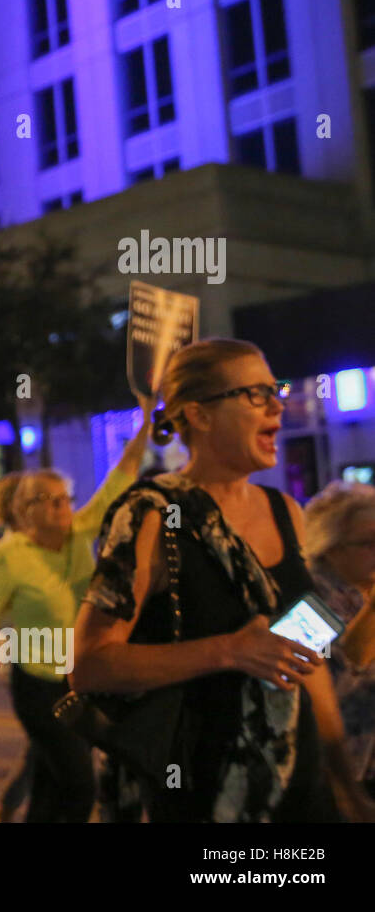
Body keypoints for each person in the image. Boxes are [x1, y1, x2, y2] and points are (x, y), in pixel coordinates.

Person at [74, 339, 366, 822]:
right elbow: (88, 665)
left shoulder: (286, 512)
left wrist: (344, 783)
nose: (277, 404)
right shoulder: (150, 516)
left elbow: (305, 662)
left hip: (299, 789)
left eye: (276, 390)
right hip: (203, 795)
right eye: (255, 393)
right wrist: (229, 650)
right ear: (200, 415)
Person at [0, 394, 152, 821]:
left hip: (79, 679)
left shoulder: (80, 532)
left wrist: (146, 414)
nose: (62, 505)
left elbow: (121, 478)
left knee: (50, 784)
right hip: (36, 685)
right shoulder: (6, 556)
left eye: (64, 497)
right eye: (48, 500)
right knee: (79, 786)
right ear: (24, 511)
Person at [304, 481, 375, 803]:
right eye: (370, 543)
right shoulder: (308, 602)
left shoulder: (362, 588)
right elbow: (320, 691)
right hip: (337, 780)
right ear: (331, 546)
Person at [0, 471, 31, 823]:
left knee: (50, 741)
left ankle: (11, 809)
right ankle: (5, 809)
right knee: (47, 741)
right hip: (22, 660)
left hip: (47, 658)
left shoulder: (38, 546)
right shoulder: (4, 554)